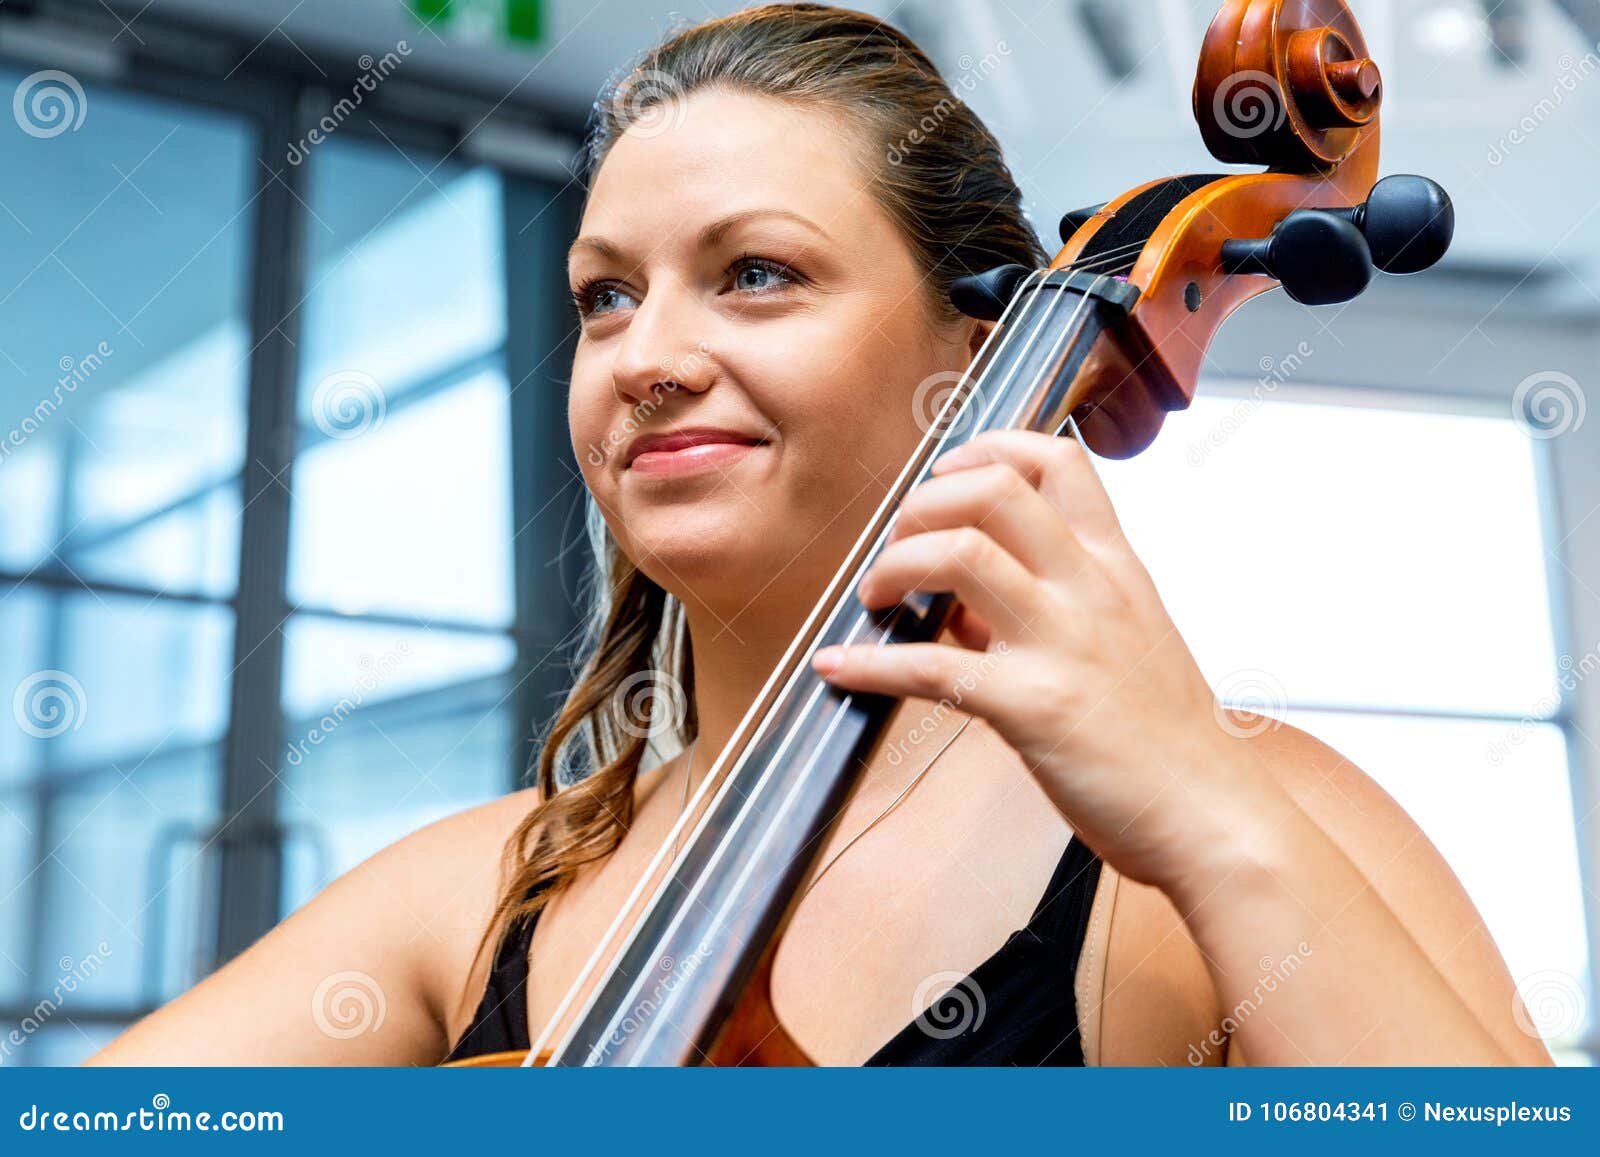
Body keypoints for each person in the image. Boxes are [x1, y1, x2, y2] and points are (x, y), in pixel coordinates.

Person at [90, 2, 1550, 1067]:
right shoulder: (479, 892)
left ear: (975, 351)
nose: (645, 352)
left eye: (758, 274)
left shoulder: (1225, 823)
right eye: (606, 293)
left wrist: (1213, 822)